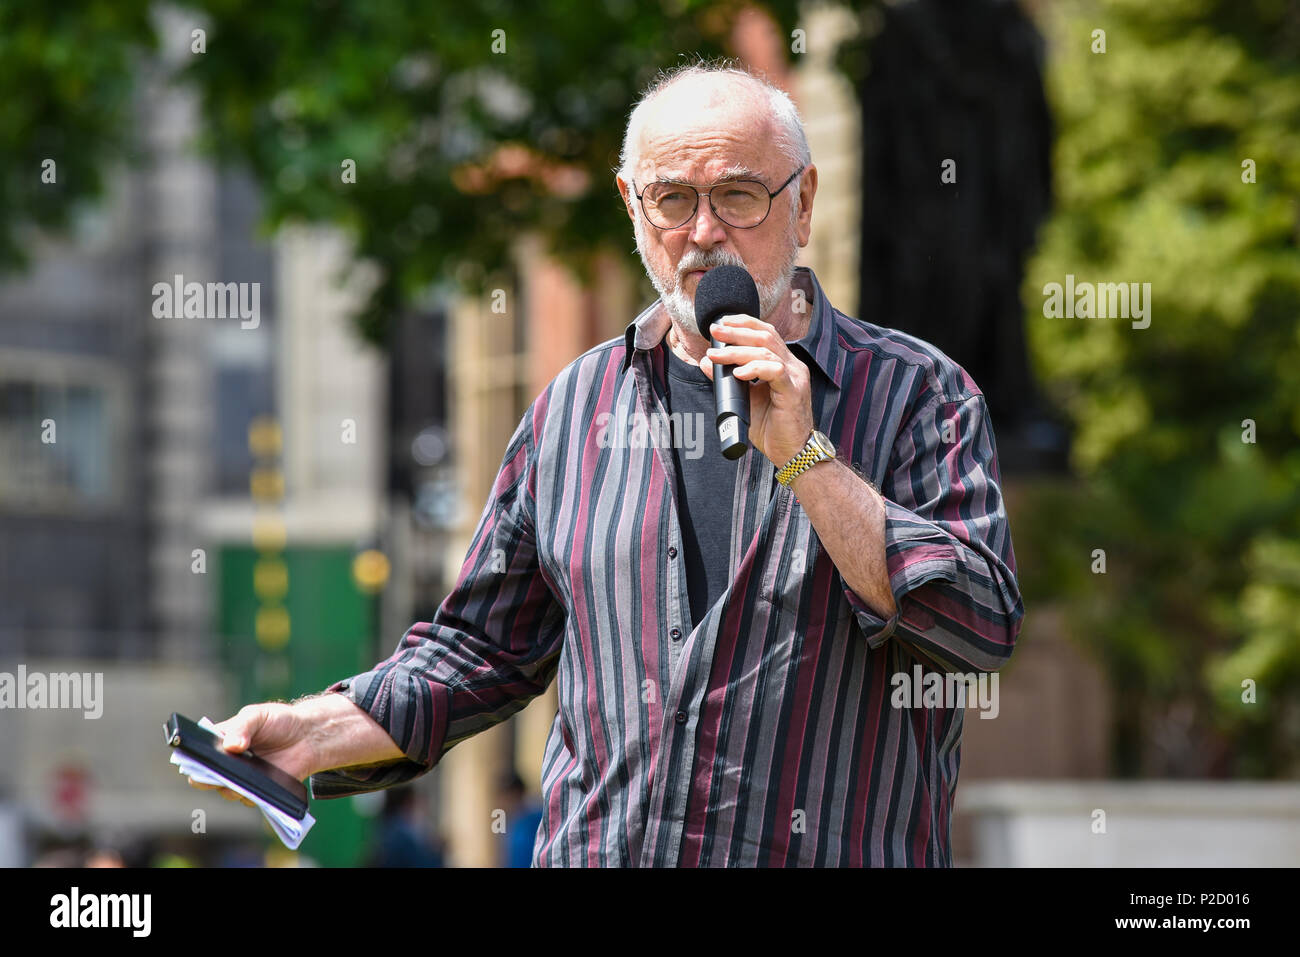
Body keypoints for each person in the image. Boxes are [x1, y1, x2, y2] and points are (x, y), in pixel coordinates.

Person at [192, 61, 1023, 866]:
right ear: (633, 208)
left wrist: (807, 457)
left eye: (738, 194)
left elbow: (975, 627)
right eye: (672, 200)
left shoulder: (920, 395)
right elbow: (480, 649)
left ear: (801, 203)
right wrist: (313, 731)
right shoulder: (574, 409)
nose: (704, 233)